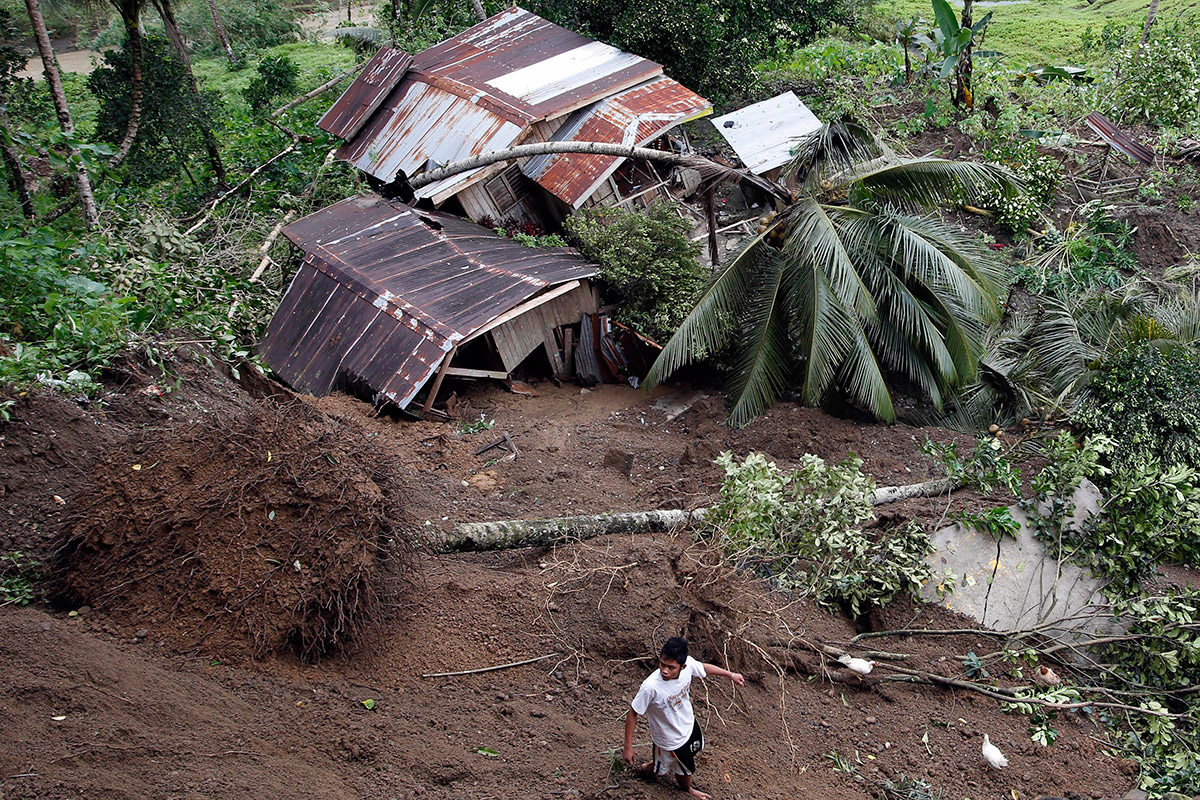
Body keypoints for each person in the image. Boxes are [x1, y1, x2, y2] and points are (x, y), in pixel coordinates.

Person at [622, 636, 745, 800]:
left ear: (682, 666)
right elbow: (633, 712)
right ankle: (687, 789)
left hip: (688, 725)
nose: (665, 670)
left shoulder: (689, 666)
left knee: (680, 758)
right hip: (669, 738)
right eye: (662, 664)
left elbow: (703, 668)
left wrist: (731, 675)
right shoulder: (650, 687)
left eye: (671, 667)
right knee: (684, 767)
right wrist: (628, 746)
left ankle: (653, 767)